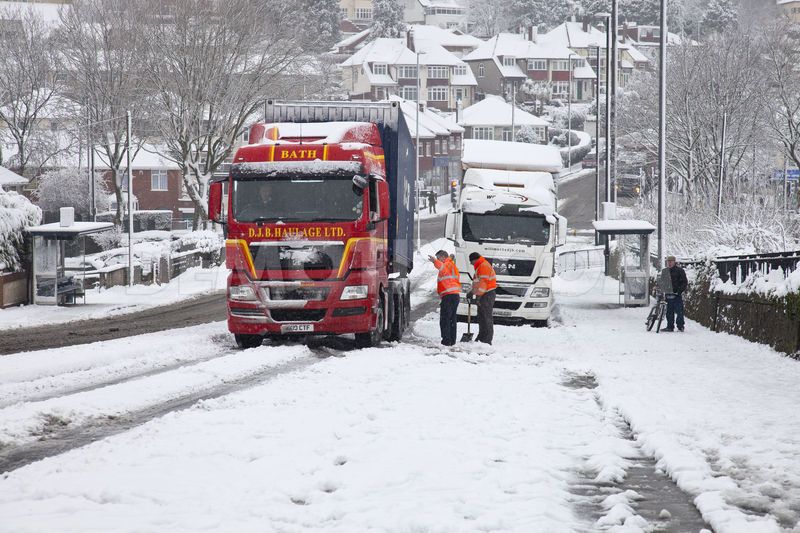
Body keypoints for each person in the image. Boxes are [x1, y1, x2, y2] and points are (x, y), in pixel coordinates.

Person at [428, 250, 460, 346]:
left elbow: (442, 268)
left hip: (449, 296)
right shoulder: (451, 264)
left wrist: (434, 261)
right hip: (454, 295)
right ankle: (452, 340)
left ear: (442, 257)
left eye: (438, 258)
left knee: (445, 319)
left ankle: (446, 340)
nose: (438, 260)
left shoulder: (447, 264)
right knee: (452, 319)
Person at [469, 252, 497, 344]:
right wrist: (472, 292)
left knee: (486, 317)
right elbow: (477, 282)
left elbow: (483, 284)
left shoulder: (483, 266)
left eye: (471, 261)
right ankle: (482, 337)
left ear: (474, 260)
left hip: (487, 294)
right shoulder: (480, 266)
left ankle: (487, 339)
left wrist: (478, 296)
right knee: (481, 317)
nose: (471, 264)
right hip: (484, 294)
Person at [663, 255, 688, 332]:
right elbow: (661, 281)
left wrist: (679, 291)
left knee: (679, 311)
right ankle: (670, 326)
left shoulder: (680, 271)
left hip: (677, 295)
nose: (669, 263)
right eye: (668, 262)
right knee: (669, 312)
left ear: (674, 262)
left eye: (671, 262)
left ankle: (680, 326)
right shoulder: (664, 271)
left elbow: (684, 282)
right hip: (668, 294)